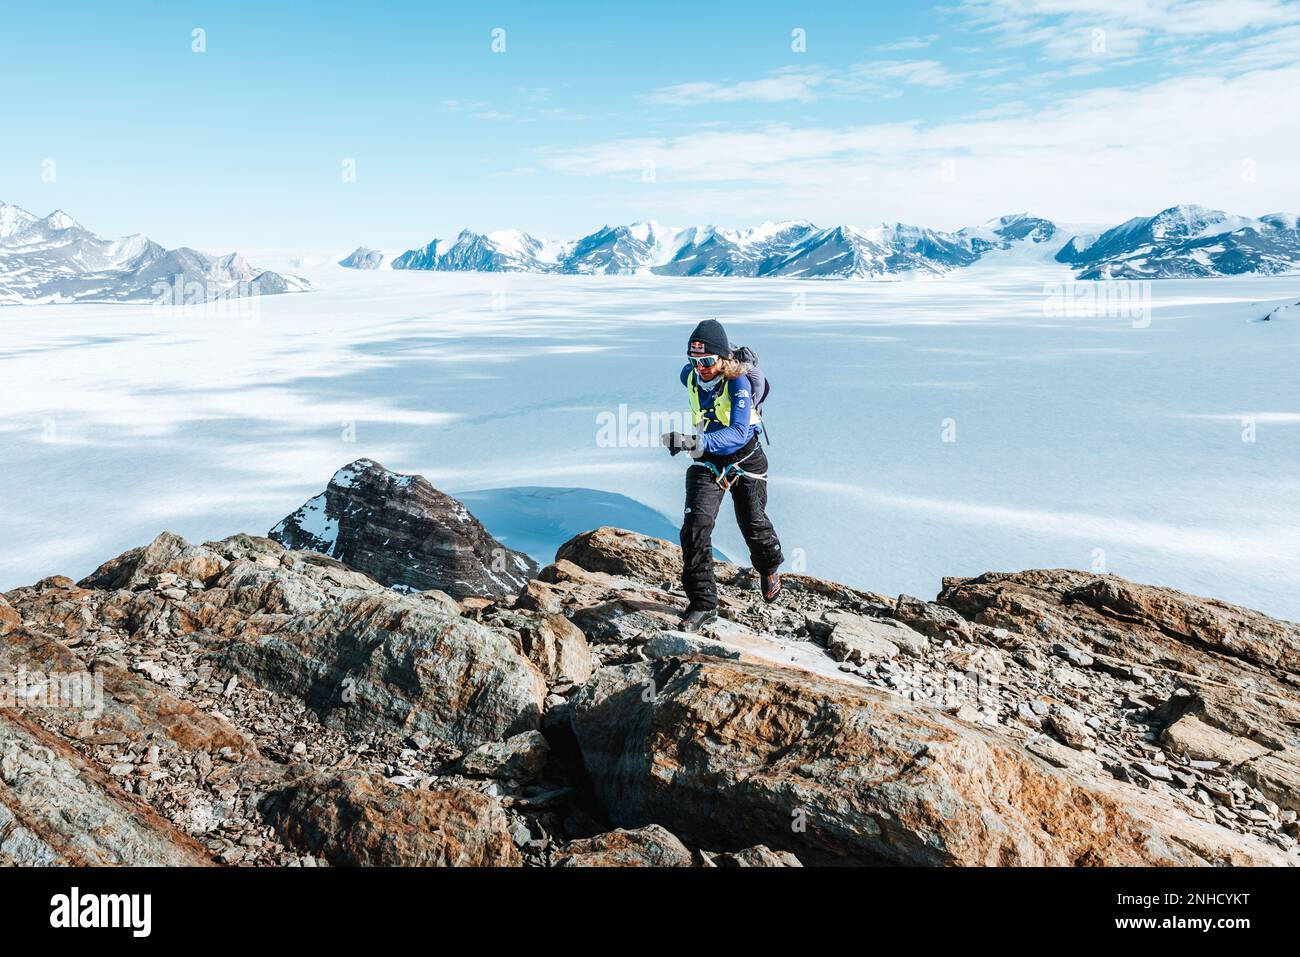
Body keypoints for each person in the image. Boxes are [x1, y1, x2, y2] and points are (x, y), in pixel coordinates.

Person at [661, 319, 784, 632]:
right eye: (694, 361)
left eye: (706, 361)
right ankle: (703, 604)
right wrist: (694, 444)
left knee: (753, 523)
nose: (700, 368)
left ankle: (769, 567)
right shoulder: (690, 375)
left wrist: (691, 442)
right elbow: (690, 376)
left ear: (723, 358)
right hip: (708, 460)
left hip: (746, 458)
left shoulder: (738, 383)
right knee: (695, 529)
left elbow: (739, 433)